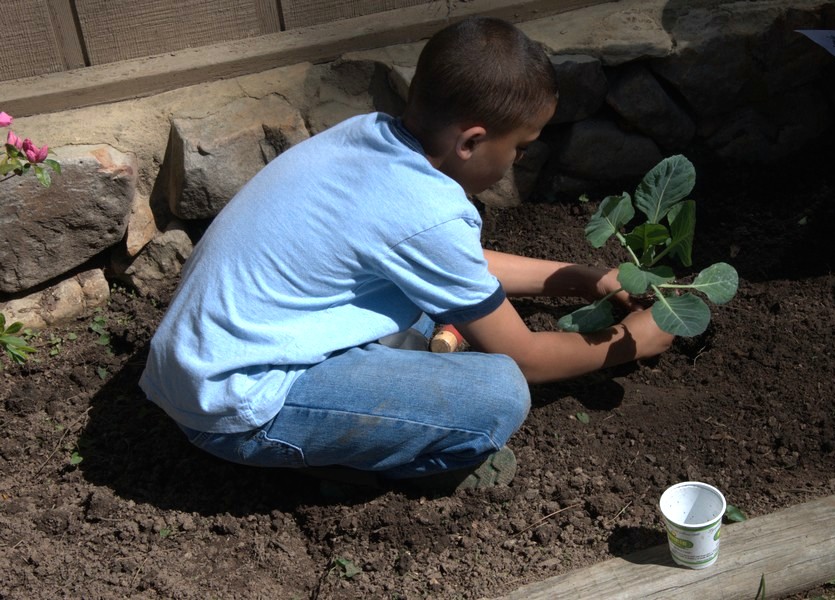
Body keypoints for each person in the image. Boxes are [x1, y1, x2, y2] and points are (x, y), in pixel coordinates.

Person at [139, 16, 673, 494]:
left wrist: (580, 279)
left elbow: (456, 264)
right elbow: (526, 358)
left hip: (199, 367)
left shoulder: (369, 137)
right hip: (238, 409)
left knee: (429, 305)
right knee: (497, 394)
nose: (517, 161)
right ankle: (351, 467)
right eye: (520, 148)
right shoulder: (425, 210)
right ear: (471, 142)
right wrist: (633, 342)